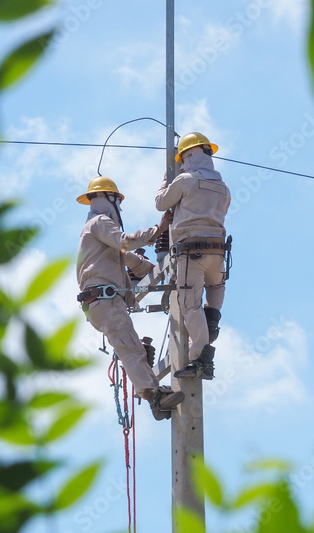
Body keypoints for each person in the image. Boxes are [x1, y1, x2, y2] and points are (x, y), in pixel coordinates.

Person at [76, 176, 183, 420]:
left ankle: (155, 394)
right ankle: (155, 397)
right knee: (131, 351)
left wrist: (153, 269)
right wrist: (159, 229)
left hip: (102, 301)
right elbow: (125, 243)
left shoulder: (95, 231)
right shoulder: (100, 222)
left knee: (133, 348)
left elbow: (127, 258)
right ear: (111, 199)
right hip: (103, 299)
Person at [154, 132, 231, 380]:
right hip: (217, 252)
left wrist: (168, 178)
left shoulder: (185, 180)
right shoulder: (223, 187)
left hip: (191, 252)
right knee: (215, 290)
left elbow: (161, 203)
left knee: (190, 305)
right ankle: (213, 319)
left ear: (186, 156)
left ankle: (201, 360)